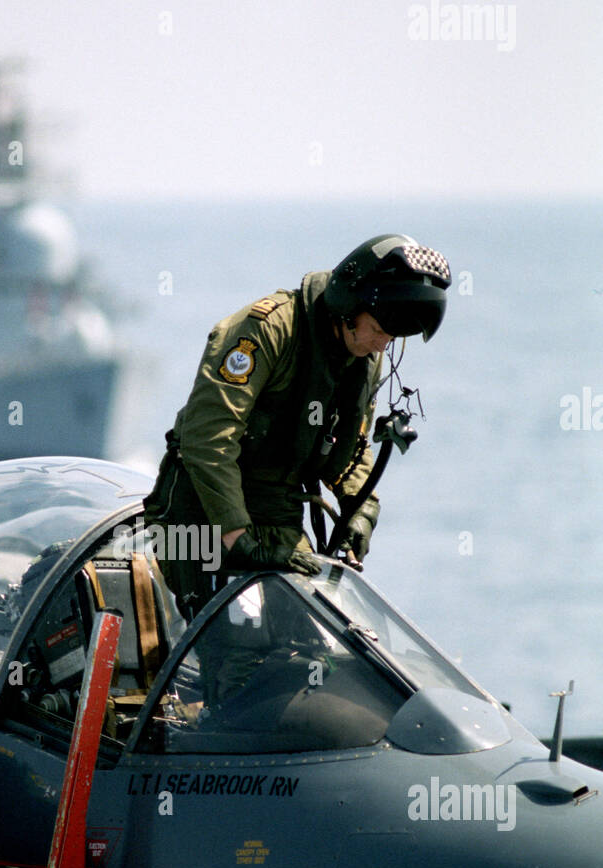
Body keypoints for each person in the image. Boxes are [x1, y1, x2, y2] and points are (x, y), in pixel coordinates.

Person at [143, 233, 451, 623]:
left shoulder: (361, 356)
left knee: (310, 645)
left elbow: (352, 450)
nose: (381, 346)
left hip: (277, 518)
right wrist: (237, 538)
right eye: (378, 330)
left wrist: (360, 511)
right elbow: (209, 439)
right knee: (221, 648)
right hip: (197, 518)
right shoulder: (266, 330)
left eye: (391, 338)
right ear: (348, 306)